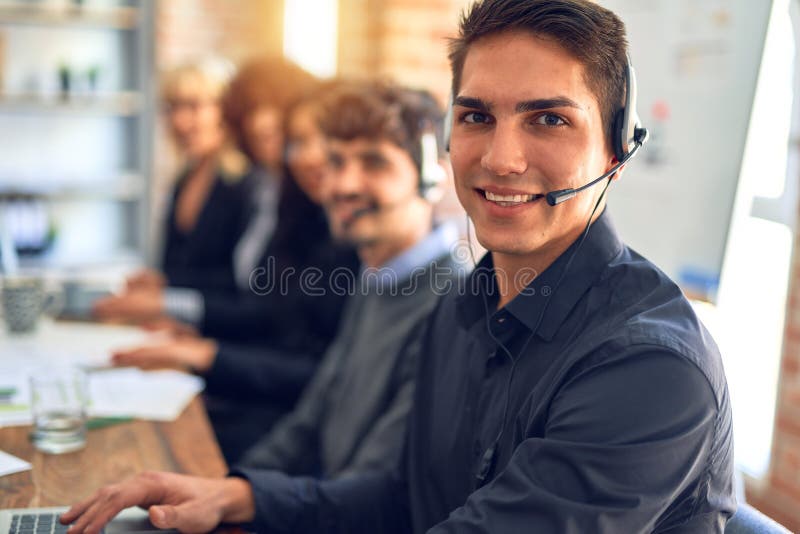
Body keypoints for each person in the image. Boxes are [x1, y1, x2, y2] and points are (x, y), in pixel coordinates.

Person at [61, 1, 736, 533]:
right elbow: (404, 498)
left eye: (549, 120)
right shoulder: (467, 309)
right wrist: (237, 496)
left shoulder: (650, 368)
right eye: (476, 116)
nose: (501, 159)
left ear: (617, 147)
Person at [102, 66, 360, 463]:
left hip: (285, 420)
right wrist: (190, 331)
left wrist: (206, 351)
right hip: (265, 399)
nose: (261, 125)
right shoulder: (301, 217)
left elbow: (315, 365)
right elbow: (274, 316)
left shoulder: (341, 234)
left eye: (316, 140)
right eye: (297, 142)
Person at [128, 60, 253, 295]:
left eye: (193, 106)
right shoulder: (183, 179)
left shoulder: (245, 183)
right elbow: (174, 265)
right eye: (172, 107)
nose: (180, 121)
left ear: (223, 110)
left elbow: (241, 279)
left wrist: (166, 285)